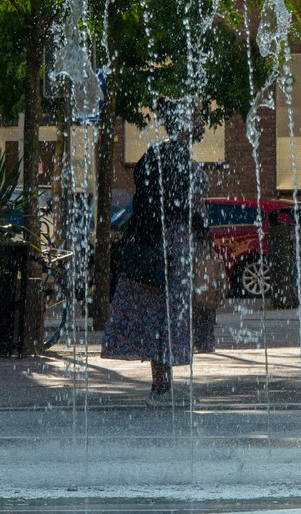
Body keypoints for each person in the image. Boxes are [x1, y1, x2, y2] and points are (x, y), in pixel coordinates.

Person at [104, 97, 215, 405]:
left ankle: (161, 384)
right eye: (197, 118)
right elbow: (180, 209)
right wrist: (201, 231)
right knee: (167, 312)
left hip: (162, 245)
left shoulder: (159, 156)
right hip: (174, 247)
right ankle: (161, 387)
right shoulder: (177, 160)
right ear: (184, 124)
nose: (201, 124)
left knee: (160, 313)